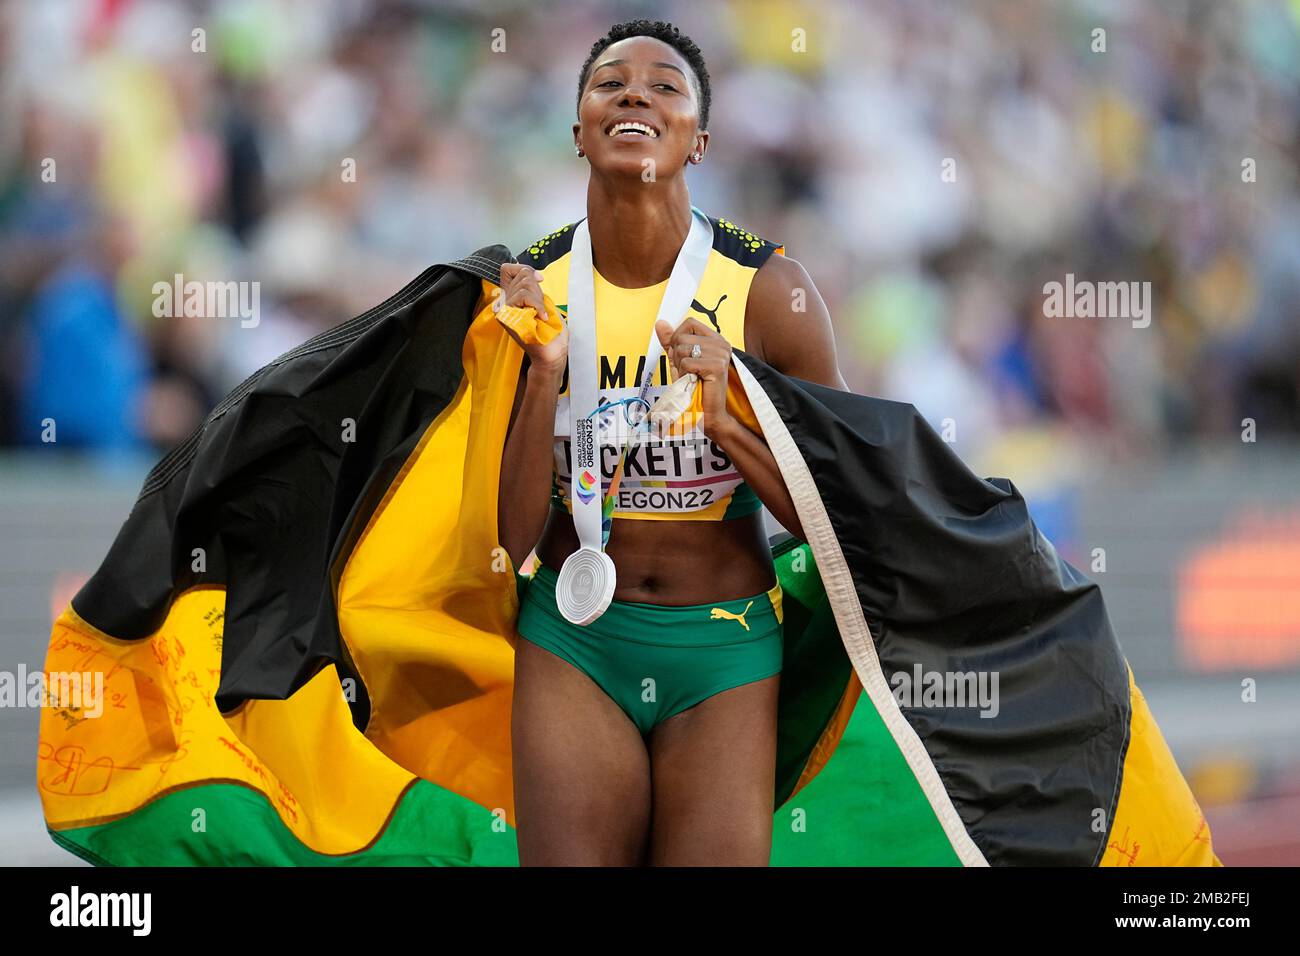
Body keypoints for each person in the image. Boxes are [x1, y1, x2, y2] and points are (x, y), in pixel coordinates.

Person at [493, 19, 848, 866]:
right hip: (574, 639)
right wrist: (543, 376)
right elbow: (504, 547)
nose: (635, 94)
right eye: (610, 83)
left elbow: (834, 520)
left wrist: (729, 415)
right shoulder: (523, 292)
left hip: (723, 647)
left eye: (665, 86)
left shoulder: (770, 292)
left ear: (699, 139)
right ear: (578, 129)